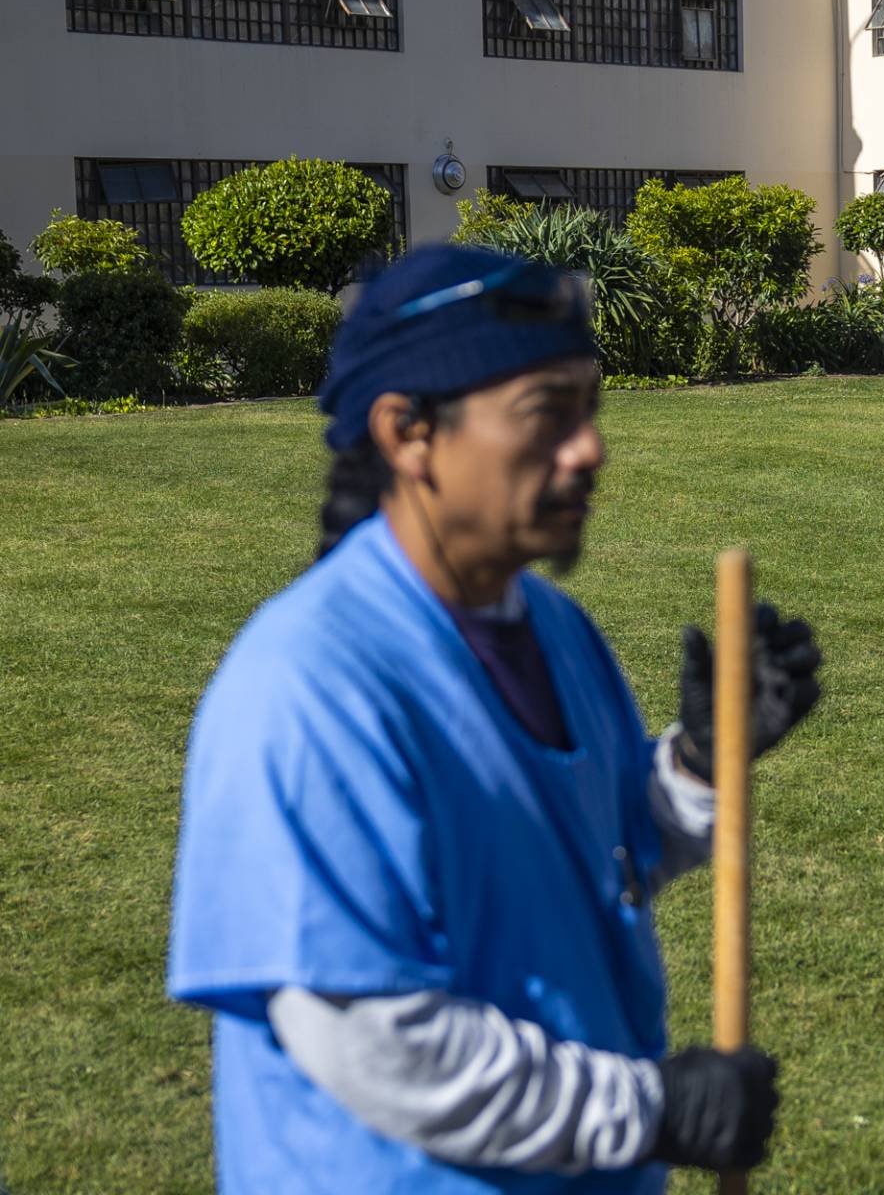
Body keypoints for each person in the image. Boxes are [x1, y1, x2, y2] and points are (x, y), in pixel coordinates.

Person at [167, 244, 821, 1193]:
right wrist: (649, 1109)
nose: (589, 447)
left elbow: (594, 854)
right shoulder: (307, 687)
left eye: (588, 408)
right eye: (546, 414)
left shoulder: (551, 626)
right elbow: (376, 1041)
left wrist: (699, 762)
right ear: (407, 433)